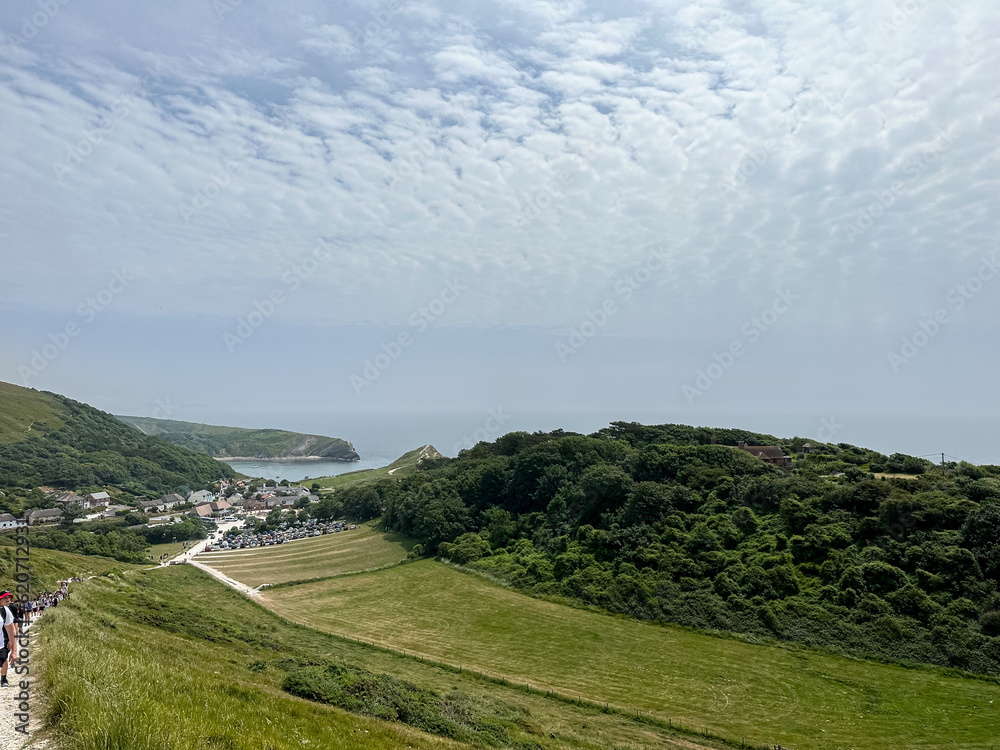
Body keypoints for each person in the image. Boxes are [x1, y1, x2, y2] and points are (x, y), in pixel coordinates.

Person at [0, 591, 16, 687]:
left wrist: (14, 651)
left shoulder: (5, 611)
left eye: (9, 598)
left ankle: (3, 678)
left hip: (2, 642)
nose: (8, 600)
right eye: (5, 598)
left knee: (4, 659)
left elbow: (12, 629)